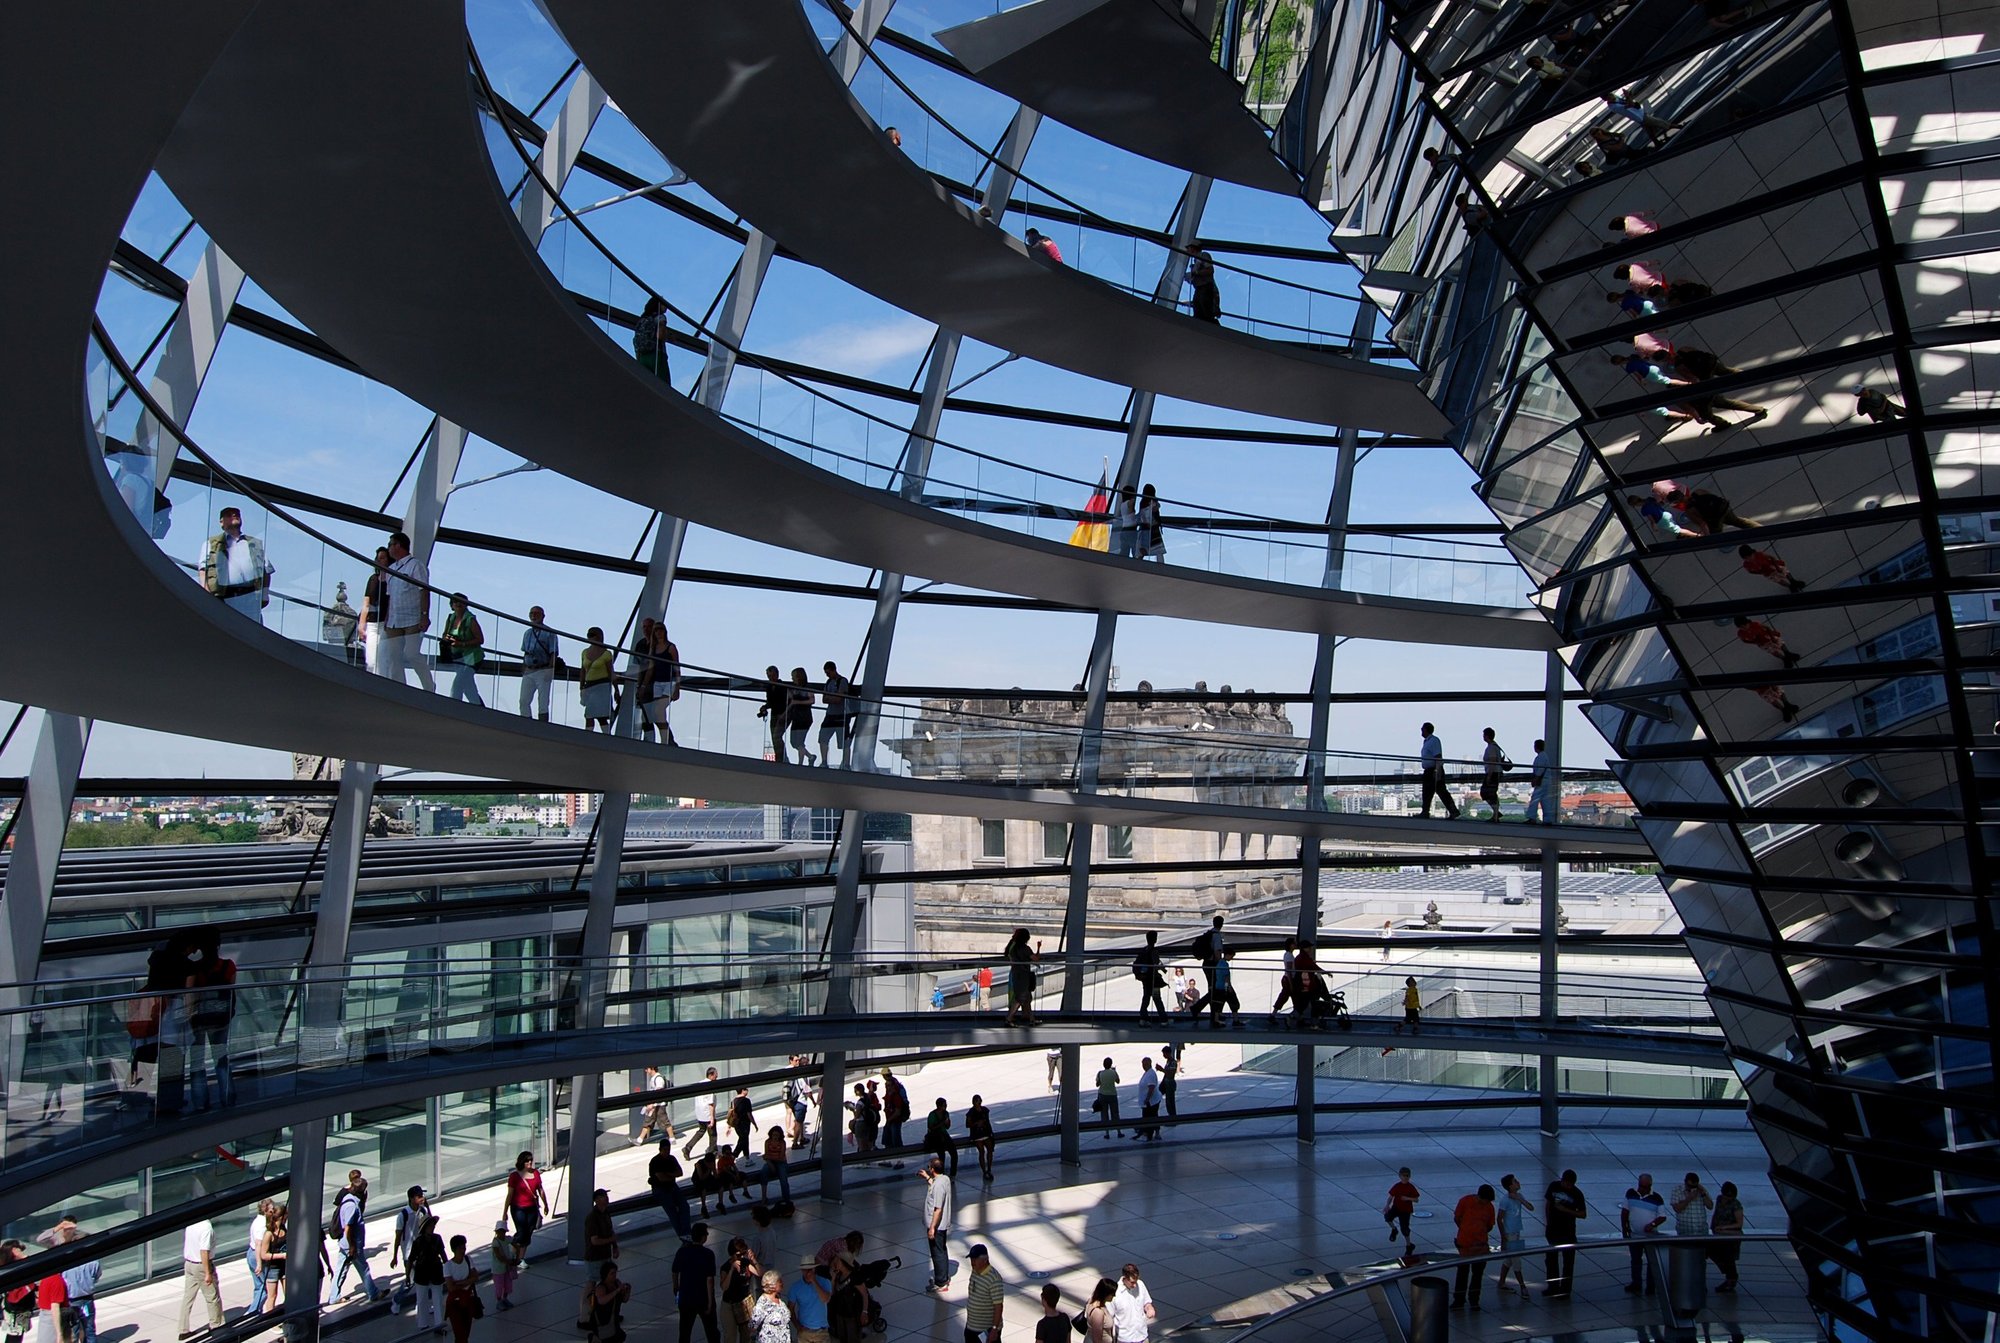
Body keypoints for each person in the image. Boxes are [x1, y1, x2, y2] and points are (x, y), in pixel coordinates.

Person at [184, 927, 236, 1110]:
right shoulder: (228, 966)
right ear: (218, 945)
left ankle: (200, 1103)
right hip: (221, 1017)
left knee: (197, 1061)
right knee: (221, 1058)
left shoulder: (194, 968)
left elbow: (190, 995)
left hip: (199, 1018)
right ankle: (227, 1098)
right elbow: (230, 991)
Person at [377, 531, 436, 691]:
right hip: (395, 620)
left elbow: (424, 590)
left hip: (413, 618)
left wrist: (424, 616)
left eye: (391, 545)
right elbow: (390, 597)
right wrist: (388, 619)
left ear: (399, 545)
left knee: (411, 653)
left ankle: (428, 686)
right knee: (394, 655)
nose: (389, 549)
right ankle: (399, 687)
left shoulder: (415, 565)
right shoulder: (391, 569)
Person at [199, 506, 273, 623]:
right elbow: (203, 570)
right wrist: (207, 594)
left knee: (252, 631)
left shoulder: (254, 543)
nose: (234, 516)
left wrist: (264, 594)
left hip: (251, 597)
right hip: (224, 596)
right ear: (221, 522)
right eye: (229, 514)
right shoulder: (211, 543)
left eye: (237, 514)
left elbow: (266, 571)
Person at [328, 1170, 381, 1305]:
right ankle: (373, 1293)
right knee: (363, 1268)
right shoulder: (352, 1205)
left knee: (341, 1268)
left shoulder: (347, 1199)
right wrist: (352, 1246)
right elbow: (348, 1227)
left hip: (346, 1244)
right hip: (351, 1244)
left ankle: (334, 1296)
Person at [1450, 1183, 1496, 1311]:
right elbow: (1457, 1218)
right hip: (1465, 1244)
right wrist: (1467, 1231)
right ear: (1480, 1197)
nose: (1486, 1203)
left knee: (1477, 1274)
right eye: (1485, 1200)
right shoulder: (1465, 1201)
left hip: (1480, 1246)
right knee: (1463, 1273)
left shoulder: (1489, 1207)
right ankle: (1459, 1299)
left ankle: (1474, 1299)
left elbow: (1490, 1225)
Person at [1542, 1169, 1587, 1298]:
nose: (1565, 1185)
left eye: (1568, 1184)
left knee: (1568, 1262)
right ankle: (1553, 1286)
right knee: (1551, 1259)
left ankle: (1565, 1289)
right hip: (1553, 1229)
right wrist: (1548, 1222)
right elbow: (1548, 1203)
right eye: (1564, 1182)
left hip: (1568, 1231)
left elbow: (1583, 1214)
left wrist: (1566, 1210)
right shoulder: (1554, 1186)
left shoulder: (1577, 1194)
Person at [179, 1217, 225, 1340]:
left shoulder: (191, 1224)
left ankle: (183, 1329)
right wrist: (207, 1273)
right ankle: (216, 1326)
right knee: (212, 1298)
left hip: (189, 1263)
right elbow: (204, 1251)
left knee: (188, 1298)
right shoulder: (206, 1228)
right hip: (201, 1265)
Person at [1621, 1173, 1667, 1295]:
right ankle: (1636, 1283)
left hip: (1650, 1236)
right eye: (1641, 1186)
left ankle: (1651, 1286)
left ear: (1650, 1186)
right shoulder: (1630, 1193)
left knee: (1651, 1261)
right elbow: (1625, 1212)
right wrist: (1624, 1230)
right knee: (1635, 1259)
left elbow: (1662, 1216)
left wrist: (1651, 1225)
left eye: (1646, 1187)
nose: (1643, 1189)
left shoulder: (1657, 1198)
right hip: (1635, 1234)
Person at [673, 1224, 720, 1343]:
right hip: (703, 1297)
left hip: (686, 1298)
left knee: (684, 1332)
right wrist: (710, 1303)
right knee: (712, 1332)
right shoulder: (708, 1254)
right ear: (703, 1237)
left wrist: (676, 1288)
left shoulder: (682, 1252)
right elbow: (709, 1280)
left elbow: (674, 1271)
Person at [439, 593, 485, 705]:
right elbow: (445, 633)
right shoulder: (451, 618)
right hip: (458, 658)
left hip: (472, 657)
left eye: (461, 602)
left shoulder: (470, 620)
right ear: (452, 604)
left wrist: (461, 643)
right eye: (455, 601)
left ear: (466, 605)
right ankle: (480, 710)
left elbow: (480, 639)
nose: (458, 604)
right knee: (469, 687)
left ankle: (455, 708)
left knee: (458, 684)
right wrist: (448, 638)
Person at [1494, 1174, 1534, 1299]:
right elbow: (1499, 1218)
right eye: (1515, 1181)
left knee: (1509, 1260)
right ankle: (1522, 1286)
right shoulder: (1505, 1200)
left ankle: (1501, 1282)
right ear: (1510, 1186)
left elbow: (1531, 1207)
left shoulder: (1519, 1197)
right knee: (1516, 1260)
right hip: (1510, 1234)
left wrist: (1520, 1199)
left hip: (1516, 1232)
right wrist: (1503, 1237)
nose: (1518, 1182)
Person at [407, 1215, 446, 1335]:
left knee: (438, 1299)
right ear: (424, 1227)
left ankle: (439, 1325)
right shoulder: (418, 1242)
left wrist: (449, 1269)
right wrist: (407, 1275)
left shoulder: (437, 1239)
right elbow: (411, 1259)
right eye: (430, 1225)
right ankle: (423, 1324)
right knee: (422, 1299)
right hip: (422, 1272)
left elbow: (443, 1255)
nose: (433, 1227)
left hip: (436, 1271)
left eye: (433, 1225)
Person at [920, 1156, 954, 1292]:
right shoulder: (943, 1179)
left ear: (932, 1169)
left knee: (937, 1253)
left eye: (929, 1167)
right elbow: (935, 1188)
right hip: (940, 1225)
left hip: (937, 1226)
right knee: (941, 1250)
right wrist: (927, 1178)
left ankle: (941, 1282)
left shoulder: (939, 1185)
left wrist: (932, 1228)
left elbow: (938, 1208)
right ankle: (943, 1277)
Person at [651, 1140, 696, 1241]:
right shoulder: (655, 1162)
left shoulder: (672, 1159)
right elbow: (661, 1178)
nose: (667, 1152)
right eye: (665, 1150)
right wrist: (671, 1175)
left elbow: (680, 1173)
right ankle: (683, 1235)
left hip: (671, 1186)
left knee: (684, 1206)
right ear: (660, 1149)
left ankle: (686, 1233)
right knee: (672, 1211)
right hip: (660, 1189)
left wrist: (667, 1174)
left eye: (668, 1150)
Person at [503, 1151, 549, 1249]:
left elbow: (540, 1190)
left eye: (531, 1160)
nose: (529, 1163)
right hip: (518, 1208)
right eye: (527, 1161)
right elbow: (510, 1195)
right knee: (522, 1232)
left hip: (532, 1207)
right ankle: (514, 1244)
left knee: (529, 1231)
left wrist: (546, 1204)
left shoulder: (535, 1173)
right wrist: (505, 1212)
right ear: (522, 1162)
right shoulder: (514, 1176)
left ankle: (520, 1257)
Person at [519, 607, 559, 720]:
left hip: (543, 669)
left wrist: (550, 669)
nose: (534, 616)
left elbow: (553, 653)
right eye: (531, 613)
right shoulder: (527, 633)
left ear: (543, 616)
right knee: (523, 700)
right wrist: (524, 668)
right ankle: (526, 721)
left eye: (536, 613)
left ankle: (542, 725)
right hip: (529, 669)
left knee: (543, 701)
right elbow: (525, 652)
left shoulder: (550, 633)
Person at [719, 1237, 761, 1343]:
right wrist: (732, 1269)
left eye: (743, 1254)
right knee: (730, 1336)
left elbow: (760, 1273)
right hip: (729, 1304)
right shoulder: (725, 1267)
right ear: (731, 1254)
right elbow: (724, 1287)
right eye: (738, 1255)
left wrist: (754, 1260)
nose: (740, 1257)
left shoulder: (745, 1263)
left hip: (744, 1302)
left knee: (746, 1334)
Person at [359, 547, 393, 673]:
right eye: (378, 558)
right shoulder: (373, 579)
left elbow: (391, 602)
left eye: (383, 558)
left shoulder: (392, 579)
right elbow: (366, 603)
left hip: (385, 623)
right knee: (371, 661)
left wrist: (388, 620)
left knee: (382, 659)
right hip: (372, 623)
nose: (380, 561)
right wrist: (362, 624)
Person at [391, 1185, 432, 1290]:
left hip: (421, 1251)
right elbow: (398, 1237)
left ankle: (420, 1303)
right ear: (411, 1198)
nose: (422, 1198)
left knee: (423, 1282)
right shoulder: (403, 1215)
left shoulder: (423, 1211)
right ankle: (398, 1300)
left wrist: (427, 1206)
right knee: (411, 1282)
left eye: (422, 1195)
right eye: (419, 1196)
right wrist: (395, 1256)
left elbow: (431, 1225)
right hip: (409, 1253)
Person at [1186, 914, 1227, 1018]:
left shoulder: (1209, 934)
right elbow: (1217, 952)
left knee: (1212, 989)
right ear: (1221, 924)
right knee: (1215, 990)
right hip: (1213, 965)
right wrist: (1219, 966)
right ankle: (1203, 1010)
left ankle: (1212, 1012)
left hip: (1206, 964)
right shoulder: (1216, 936)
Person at [578, 627, 617, 730]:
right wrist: (581, 687)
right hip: (589, 685)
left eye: (592, 635)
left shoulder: (606, 653)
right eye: (589, 635)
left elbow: (611, 672)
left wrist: (616, 689)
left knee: (600, 716)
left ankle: (604, 736)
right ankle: (590, 735)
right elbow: (583, 670)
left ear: (599, 636)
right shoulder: (585, 652)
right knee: (590, 714)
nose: (590, 637)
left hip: (602, 686)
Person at [442, 1235, 479, 1343]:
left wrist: (460, 1283)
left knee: (466, 1332)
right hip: (454, 1303)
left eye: (464, 1248)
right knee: (459, 1333)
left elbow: (476, 1277)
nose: (463, 1251)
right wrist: (468, 1281)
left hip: (468, 1300)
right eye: (460, 1248)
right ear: (453, 1249)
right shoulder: (447, 1266)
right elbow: (451, 1287)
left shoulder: (468, 1260)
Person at [963, 1245, 1004, 1343]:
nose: (972, 1262)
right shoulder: (975, 1271)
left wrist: (994, 1329)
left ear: (985, 1260)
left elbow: (998, 1306)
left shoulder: (994, 1279)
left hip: (986, 1330)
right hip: (971, 1326)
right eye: (972, 1259)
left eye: (975, 1259)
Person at [1417, 723, 1458, 818]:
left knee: (1440, 791)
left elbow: (1438, 757)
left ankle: (1453, 811)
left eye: (1422, 729)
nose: (1421, 731)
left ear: (1426, 730)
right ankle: (1425, 811)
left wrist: (1437, 771)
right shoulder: (1428, 741)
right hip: (1430, 770)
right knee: (1429, 791)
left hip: (1433, 770)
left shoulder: (1433, 741)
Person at [582, 1263, 631, 1343]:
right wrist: (617, 1291)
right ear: (606, 1274)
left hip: (613, 1318)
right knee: (607, 1338)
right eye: (612, 1273)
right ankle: (594, 1338)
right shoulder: (601, 1288)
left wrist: (627, 1291)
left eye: (615, 1273)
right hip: (602, 1319)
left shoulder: (617, 1283)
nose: (614, 1275)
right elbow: (602, 1301)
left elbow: (624, 1300)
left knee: (619, 1337)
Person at [1709, 1180, 1744, 1291]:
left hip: (1730, 1236)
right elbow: (1716, 1214)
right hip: (1718, 1234)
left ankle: (1731, 1279)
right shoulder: (1719, 1200)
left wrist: (1724, 1227)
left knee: (1729, 1257)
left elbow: (1739, 1223)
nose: (1727, 1199)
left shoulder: (1736, 1204)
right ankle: (1728, 1275)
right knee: (1712, 1251)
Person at [786, 1258, 831, 1343]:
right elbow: (790, 1308)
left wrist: (814, 1281)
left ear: (814, 1269)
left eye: (810, 1269)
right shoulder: (795, 1287)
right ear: (802, 1270)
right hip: (804, 1331)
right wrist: (797, 1326)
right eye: (805, 1270)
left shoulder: (825, 1282)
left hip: (821, 1331)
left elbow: (825, 1299)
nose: (808, 1272)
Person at [818, 661, 852, 767]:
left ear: (833, 670)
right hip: (830, 715)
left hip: (841, 716)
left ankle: (846, 763)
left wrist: (831, 698)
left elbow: (839, 699)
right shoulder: (828, 682)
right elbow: (825, 699)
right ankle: (824, 761)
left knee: (844, 741)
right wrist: (835, 697)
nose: (827, 675)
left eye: (828, 672)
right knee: (822, 738)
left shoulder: (842, 681)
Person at [1735, 616, 1802, 668]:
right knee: (1773, 652)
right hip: (1763, 643)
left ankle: (1788, 654)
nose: (1744, 628)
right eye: (1741, 627)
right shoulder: (1741, 633)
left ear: (1748, 622)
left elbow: (1767, 628)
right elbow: (1744, 640)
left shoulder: (1755, 624)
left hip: (1768, 637)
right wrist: (1755, 642)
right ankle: (1784, 659)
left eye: (1744, 626)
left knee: (1780, 644)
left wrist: (1772, 637)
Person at [256, 1204, 288, 1315]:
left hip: (284, 1266)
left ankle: (287, 1315)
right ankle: (270, 1320)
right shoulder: (269, 1234)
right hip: (272, 1268)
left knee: (288, 1293)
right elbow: (264, 1255)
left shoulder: (284, 1228)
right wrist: (282, 1255)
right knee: (272, 1296)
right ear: (282, 1216)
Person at [1005, 929, 1040, 1026]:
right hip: (1024, 975)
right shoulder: (1026, 949)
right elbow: (1036, 959)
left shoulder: (1013, 948)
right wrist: (1038, 948)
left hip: (1016, 974)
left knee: (1027, 997)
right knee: (1021, 998)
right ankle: (1009, 1019)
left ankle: (1032, 1019)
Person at [1112, 1264, 1155, 1343]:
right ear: (1125, 1278)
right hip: (1125, 1339)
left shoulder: (1140, 1284)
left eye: (1136, 1281)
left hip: (1142, 1336)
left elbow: (1147, 1303)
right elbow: (1109, 1316)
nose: (1135, 1285)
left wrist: (1149, 1308)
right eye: (1132, 1282)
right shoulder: (1115, 1293)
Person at [1740, 544, 1808, 593]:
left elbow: (1772, 558)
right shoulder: (1747, 565)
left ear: (1752, 553)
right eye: (1746, 558)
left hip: (1772, 566)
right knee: (1779, 580)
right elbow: (1750, 571)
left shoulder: (1759, 555)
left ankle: (1793, 581)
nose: (1749, 559)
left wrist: (1777, 566)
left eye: (1750, 556)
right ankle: (1790, 586)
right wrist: (1760, 572)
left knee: (1785, 572)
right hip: (1768, 573)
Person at [685, 1067, 721, 1158]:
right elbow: (711, 1104)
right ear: (711, 1075)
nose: (716, 1078)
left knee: (701, 1131)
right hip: (707, 1114)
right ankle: (712, 1153)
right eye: (715, 1076)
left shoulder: (700, 1083)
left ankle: (688, 1147)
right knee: (713, 1135)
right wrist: (712, 1118)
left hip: (700, 1114)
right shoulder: (710, 1086)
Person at [246, 1199, 275, 1315]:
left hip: (251, 1252)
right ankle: (252, 1312)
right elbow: (258, 1244)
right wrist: (259, 1263)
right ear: (265, 1210)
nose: (273, 1212)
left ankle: (256, 1310)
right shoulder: (262, 1224)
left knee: (258, 1286)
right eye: (271, 1210)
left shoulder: (257, 1220)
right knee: (264, 1289)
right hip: (256, 1255)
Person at [3, 1240, 34, 1343]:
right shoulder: (12, 1268)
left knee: (16, 1337)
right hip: (16, 1311)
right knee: (14, 1337)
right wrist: (23, 1257)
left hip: (18, 1310)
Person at [1131, 930, 1167, 1021]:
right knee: (1157, 999)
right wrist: (1163, 969)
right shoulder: (1154, 951)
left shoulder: (1143, 950)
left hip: (1145, 978)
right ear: (1155, 939)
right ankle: (1163, 1019)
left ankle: (1143, 1018)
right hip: (1153, 978)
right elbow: (1156, 964)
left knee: (1146, 997)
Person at [785, 668, 817, 765]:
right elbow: (790, 700)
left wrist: (797, 702)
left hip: (804, 717)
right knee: (794, 742)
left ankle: (801, 763)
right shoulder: (794, 689)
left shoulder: (807, 688)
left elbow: (812, 701)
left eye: (793, 676)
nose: (792, 678)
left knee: (799, 742)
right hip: (797, 717)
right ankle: (810, 756)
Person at [634, 295, 670, 379]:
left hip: (642, 357)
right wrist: (668, 336)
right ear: (658, 305)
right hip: (657, 356)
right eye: (664, 304)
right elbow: (660, 334)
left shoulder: (642, 320)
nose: (666, 307)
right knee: (663, 387)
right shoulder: (660, 317)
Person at [1478, 727, 1511, 821]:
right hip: (1496, 773)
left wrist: (1489, 775)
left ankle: (1496, 814)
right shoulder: (1494, 746)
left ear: (1487, 736)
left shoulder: (1491, 748)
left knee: (1487, 793)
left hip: (1493, 773)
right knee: (1491, 793)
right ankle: (1496, 813)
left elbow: (1492, 762)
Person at [637, 1066, 675, 1145]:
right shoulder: (653, 1078)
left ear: (652, 1068)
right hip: (654, 1105)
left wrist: (652, 1104)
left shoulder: (658, 1079)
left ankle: (672, 1138)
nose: (646, 1071)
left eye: (647, 1069)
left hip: (659, 1105)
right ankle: (639, 1140)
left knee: (665, 1122)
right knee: (648, 1121)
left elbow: (659, 1094)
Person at [750, 1270, 791, 1343]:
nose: (782, 1283)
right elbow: (753, 1325)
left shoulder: (779, 1300)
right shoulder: (763, 1302)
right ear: (773, 1285)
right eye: (780, 1281)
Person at [921, 1099, 959, 1178]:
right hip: (935, 1137)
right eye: (944, 1105)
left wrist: (947, 1122)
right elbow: (931, 1128)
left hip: (944, 1135)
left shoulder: (946, 1114)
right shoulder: (932, 1115)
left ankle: (953, 1174)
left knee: (954, 1153)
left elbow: (947, 1127)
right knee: (942, 1155)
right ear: (939, 1106)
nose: (945, 1107)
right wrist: (941, 1123)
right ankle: (941, 1174)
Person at [757, 667, 788, 761]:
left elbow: (785, 701)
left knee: (776, 736)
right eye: (769, 676)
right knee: (775, 738)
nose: (771, 678)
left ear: (777, 674)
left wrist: (783, 713)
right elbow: (770, 702)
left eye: (772, 675)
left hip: (781, 714)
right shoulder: (769, 687)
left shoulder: (782, 686)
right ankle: (780, 758)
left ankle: (781, 758)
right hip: (774, 714)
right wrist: (765, 707)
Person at [488, 1222, 520, 1312]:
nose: (501, 1233)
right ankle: (499, 1301)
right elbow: (498, 1256)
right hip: (498, 1268)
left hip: (506, 1267)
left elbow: (517, 1246)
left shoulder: (508, 1239)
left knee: (507, 1284)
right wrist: (510, 1261)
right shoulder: (495, 1242)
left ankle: (505, 1299)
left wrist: (516, 1258)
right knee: (499, 1285)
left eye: (502, 1231)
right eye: (500, 1231)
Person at [1184, 245, 1220, 324]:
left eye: (1189, 248)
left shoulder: (1203, 256)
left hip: (1205, 286)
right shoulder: (1196, 261)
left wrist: (1195, 273)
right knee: (1198, 305)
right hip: (1200, 287)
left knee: (1204, 307)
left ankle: (1210, 325)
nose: (1187, 250)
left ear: (1193, 248)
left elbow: (1210, 270)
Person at [1672, 1172, 1714, 1239]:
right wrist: (1689, 1199)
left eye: (1694, 1186)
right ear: (1685, 1182)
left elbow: (1710, 1206)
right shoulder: (1677, 1190)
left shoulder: (1701, 1190)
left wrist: (1703, 1194)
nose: (1692, 1188)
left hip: (1701, 1231)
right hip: (1684, 1230)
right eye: (1690, 1186)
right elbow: (1677, 1209)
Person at [1525, 739, 1558, 824]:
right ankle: (1548, 819)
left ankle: (1532, 817)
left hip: (1542, 781)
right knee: (1545, 800)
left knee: (1535, 799)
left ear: (1536, 747)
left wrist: (1535, 779)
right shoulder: (1544, 756)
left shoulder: (1541, 757)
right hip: (1546, 781)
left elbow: (1540, 771)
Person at [1384, 1168, 1421, 1244]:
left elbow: (1416, 1199)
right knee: (1388, 1217)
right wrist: (1387, 1205)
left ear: (1409, 1176)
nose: (1405, 1177)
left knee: (1405, 1229)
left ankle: (1409, 1244)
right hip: (1396, 1207)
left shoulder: (1411, 1187)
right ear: (1400, 1176)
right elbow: (1391, 1196)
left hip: (1406, 1211)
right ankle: (1394, 1229)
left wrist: (1407, 1198)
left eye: (1407, 1176)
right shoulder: (1397, 1186)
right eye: (1403, 1176)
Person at [966, 1093, 996, 1181]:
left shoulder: (984, 1110)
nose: (978, 1103)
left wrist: (990, 1132)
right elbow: (968, 1124)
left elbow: (988, 1121)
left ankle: (989, 1169)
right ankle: (984, 1171)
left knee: (990, 1150)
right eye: (976, 1102)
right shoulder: (971, 1112)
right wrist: (976, 1123)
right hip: (977, 1134)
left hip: (985, 1132)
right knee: (981, 1152)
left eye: (979, 1101)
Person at [585, 1188, 619, 1265]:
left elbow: (610, 1230)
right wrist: (611, 1239)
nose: (607, 1198)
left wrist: (615, 1246)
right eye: (603, 1196)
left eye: (606, 1195)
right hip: (595, 1258)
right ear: (596, 1200)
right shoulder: (592, 1217)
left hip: (606, 1255)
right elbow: (595, 1241)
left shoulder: (606, 1213)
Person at [759, 1127, 792, 1202]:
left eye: (777, 1135)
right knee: (763, 1173)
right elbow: (766, 1155)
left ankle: (786, 1199)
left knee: (783, 1179)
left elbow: (781, 1156)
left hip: (781, 1163)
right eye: (774, 1135)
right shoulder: (767, 1142)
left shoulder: (782, 1142)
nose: (775, 1137)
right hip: (770, 1162)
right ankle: (764, 1197)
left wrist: (769, 1157)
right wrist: (770, 1162)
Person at [879, 1068, 910, 1148]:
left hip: (894, 1119)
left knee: (895, 1139)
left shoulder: (896, 1095)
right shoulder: (895, 1084)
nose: (887, 1087)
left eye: (888, 1086)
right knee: (890, 1137)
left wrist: (889, 1120)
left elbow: (898, 1111)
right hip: (891, 1117)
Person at [1111, 485, 1141, 559]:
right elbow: (1131, 515)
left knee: (1124, 551)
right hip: (1131, 530)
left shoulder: (1122, 505)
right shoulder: (1129, 503)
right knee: (1135, 550)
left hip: (1124, 530)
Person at [1083, 1276, 1116, 1343]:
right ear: (1105, 1293)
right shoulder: (1098, 1312)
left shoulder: (1091, 1301)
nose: (1114, 1295)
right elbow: (1097, 1339)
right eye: (1112, 1294)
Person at [1135, 1057, 1161, 1141]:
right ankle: (1148, 1132)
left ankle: (1149, 1134)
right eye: (1142, 1064)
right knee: (1151, 1116)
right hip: (1148, 1102)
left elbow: (1151, 1087)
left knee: (1150, 1117)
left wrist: (1147, 1099)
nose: (1143, 1066)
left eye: (1145, 1064)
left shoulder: (1150, 1074)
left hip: (1151, 1102)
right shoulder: (1147, 1073)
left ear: (1149, 1064)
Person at [1138, 484, 1164, 562]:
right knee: (1158, 549)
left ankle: (1138, 561)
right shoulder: (1153, 502)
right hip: (1154, 527)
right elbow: (1156, 510)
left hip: (1145, 527)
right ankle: (1161, 565)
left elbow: (1142, 515)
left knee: (1143, 547)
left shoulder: (1143, 502)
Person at [729, 1087, 757, 1158]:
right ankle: (734, 1155)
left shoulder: (733, 1101)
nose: (747, 1091)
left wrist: (729, 1126)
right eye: (746, 1089)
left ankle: (747, 1157)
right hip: (745, 1123)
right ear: (742, 1091)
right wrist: (754, 1124)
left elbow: (732, 1114)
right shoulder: (746, 1101)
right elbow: (749, 1114)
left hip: (737, 1124)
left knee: (743, 1139)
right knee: (743, 1139)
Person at [1159, 1046, 1179, 1122]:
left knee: (1170, 1102)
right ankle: (1171, 1117)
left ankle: (1173, 1118)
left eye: (1164, 1053)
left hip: (1170, 1083)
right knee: (1168, 1102)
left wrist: (1162, 1070)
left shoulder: (1173, 1062)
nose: (1163, 1055)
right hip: (1166, 1083)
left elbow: (1171, 1074)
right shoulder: (1168, 1061)